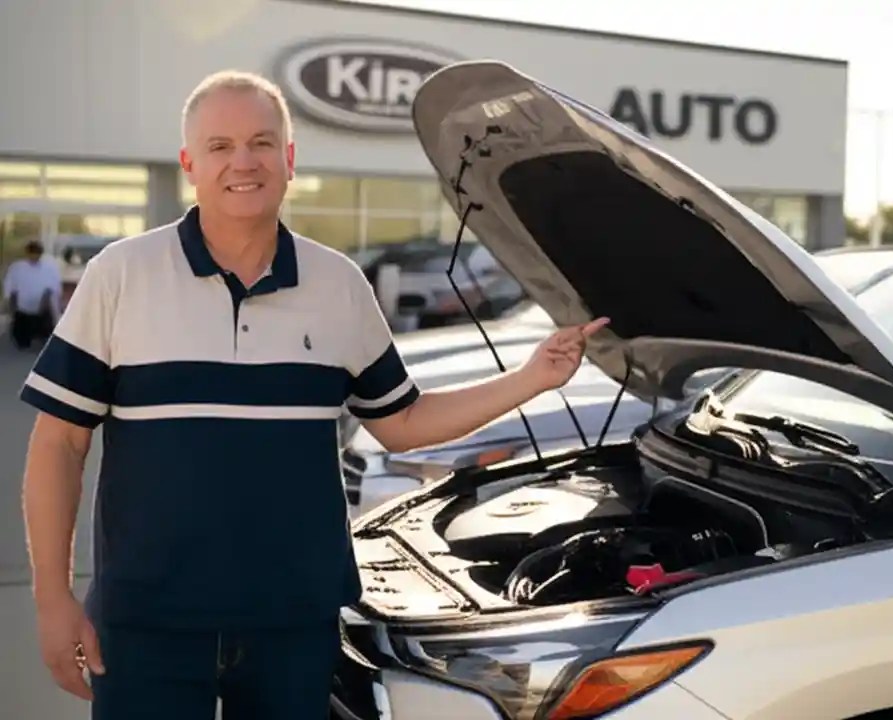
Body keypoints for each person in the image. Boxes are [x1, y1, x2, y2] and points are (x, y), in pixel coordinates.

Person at [19, 70, 609, 720]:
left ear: (290, 159)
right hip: (146, 622)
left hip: (292, 625)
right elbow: (59, 445)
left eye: (262, 143)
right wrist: (53, 600)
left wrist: (530, 378)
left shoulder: (339, 286)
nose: (243, 162)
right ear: (190, 164)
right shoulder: (120, 277)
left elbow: (402, 420)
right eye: (220, 146)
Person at [3, 239, 61, 350]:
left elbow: (52, 288)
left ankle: (41, 339)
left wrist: (46, 304)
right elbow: (11, 287)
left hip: (41, 307)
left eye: (37, 253)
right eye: (32, 253)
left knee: (43, 332)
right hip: (23, 308)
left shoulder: (48, 268)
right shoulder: (17, 268)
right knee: (22, 339)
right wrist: (11, 304)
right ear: (27, 253)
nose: (34, 256)